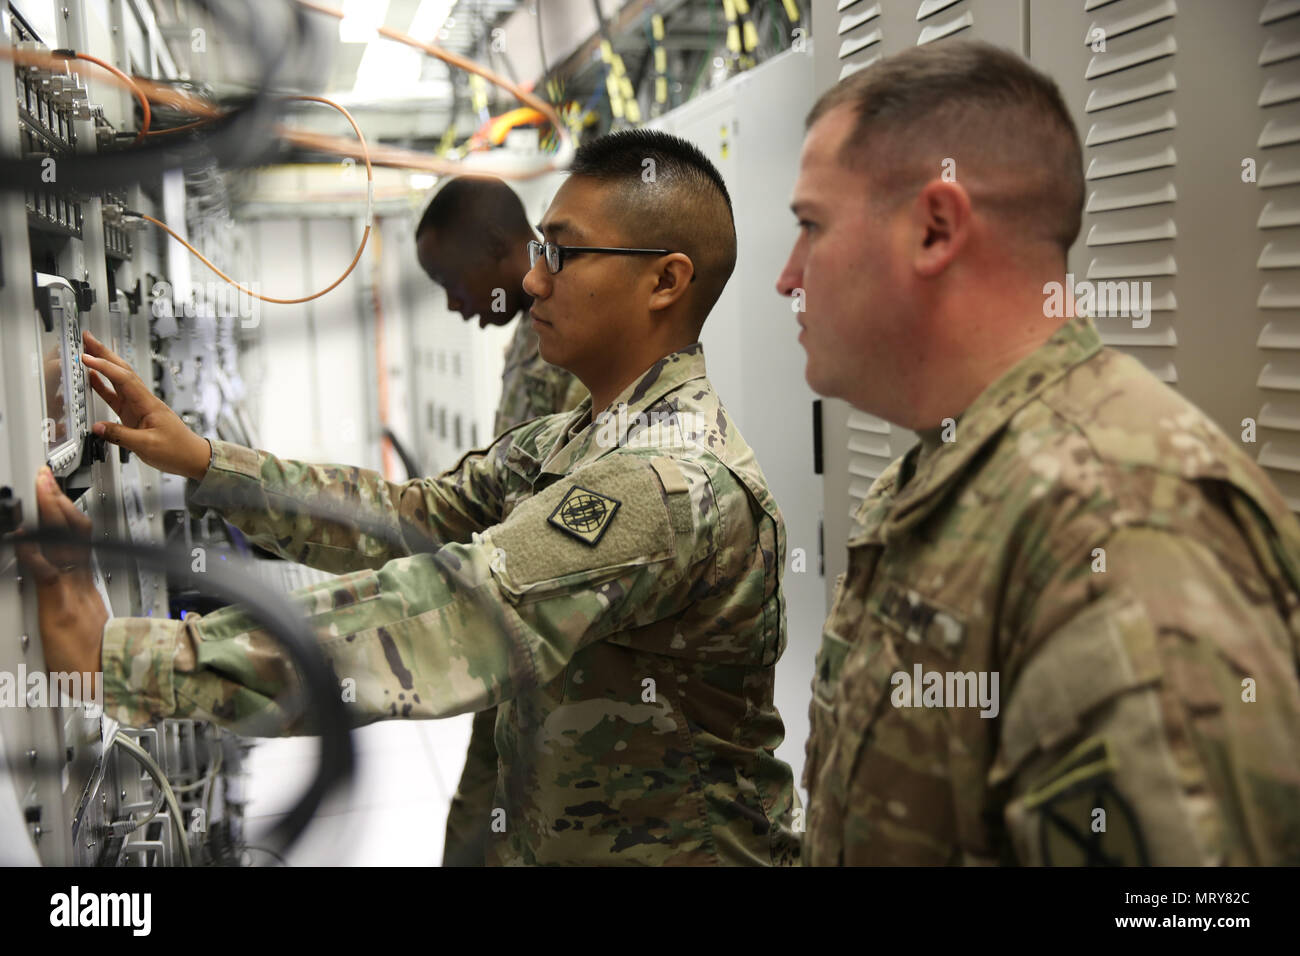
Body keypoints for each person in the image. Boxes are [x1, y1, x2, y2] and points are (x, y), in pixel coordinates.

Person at [33, 129, 800, 866]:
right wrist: (207, 462)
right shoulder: (572, 439)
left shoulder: (664, 482)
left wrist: (129, 661)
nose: (534, 279)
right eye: (540, 252)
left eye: (562, 254)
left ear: (665, 281)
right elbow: (411, 518)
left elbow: (453, 613)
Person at [777, 40, 1300, 865]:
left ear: (935, 228)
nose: (788, 276)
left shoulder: (1115, 529)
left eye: (812, 226)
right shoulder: (935, 475)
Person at [415, 174, 586, 866]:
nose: (454, 306)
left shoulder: (574, 333)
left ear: (495, 246)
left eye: (451, 280)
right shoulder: (531, 331)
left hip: (553, 634)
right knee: (476, 819)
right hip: (513, 622)